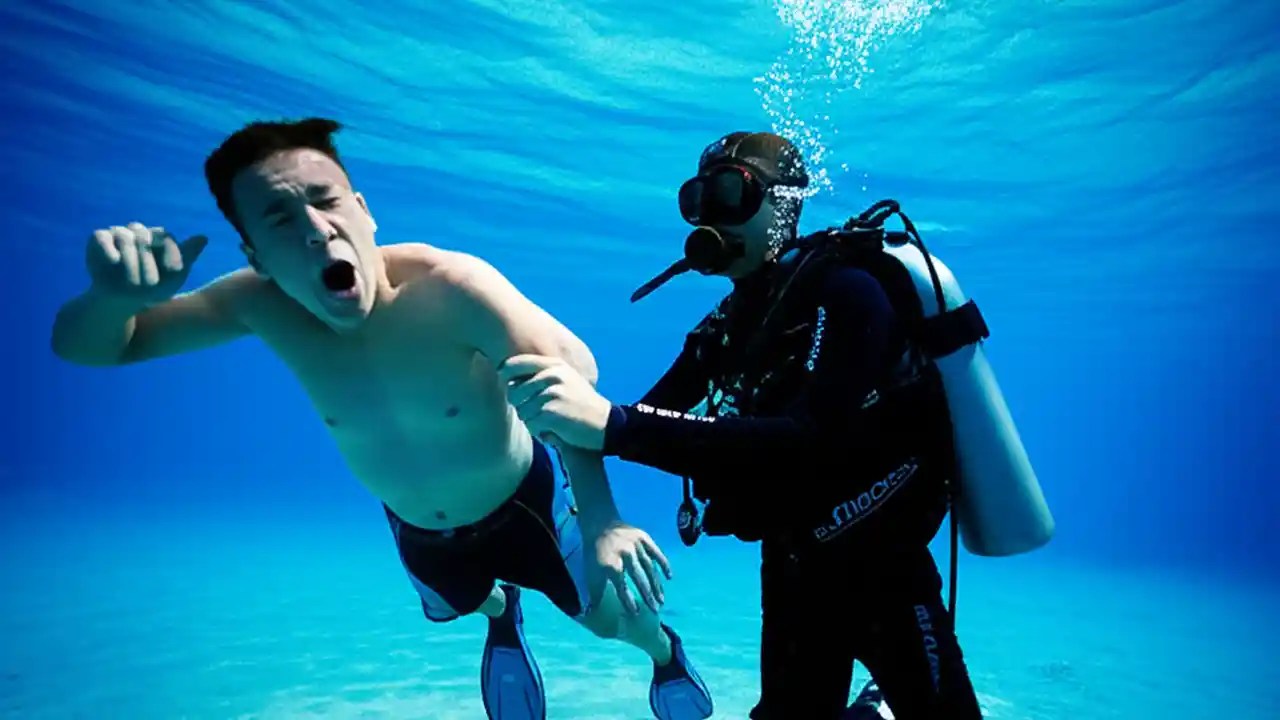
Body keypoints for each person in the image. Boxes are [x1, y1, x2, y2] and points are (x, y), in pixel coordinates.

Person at [49, 117, 714, 720]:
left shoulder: (452, 288)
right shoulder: (257, 305)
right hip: (417, 525)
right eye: (279, 221)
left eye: (326, 200)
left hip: (525, 504)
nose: (315, 230)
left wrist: (602, 520)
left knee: (613, 620)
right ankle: (500, 610)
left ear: (364, 212)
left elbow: (564, 388)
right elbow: (98, 346)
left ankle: (663, 654)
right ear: (256, 258)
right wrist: (111, 300)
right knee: (452, 606)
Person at [498, 131, 993, 719]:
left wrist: (615, 426)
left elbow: (807, 439)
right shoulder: (728, 327)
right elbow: (636, 416)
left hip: (885, 568)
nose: (710, 216)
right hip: (793, 566)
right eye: (698, 199)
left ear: (783, 204)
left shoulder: (847, 291)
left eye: (730, 194)